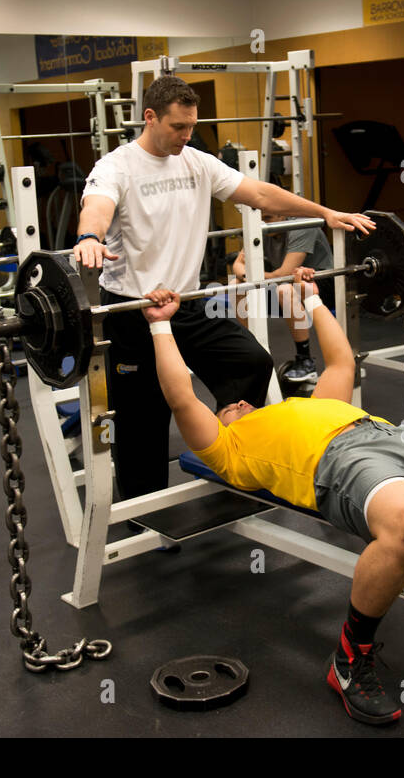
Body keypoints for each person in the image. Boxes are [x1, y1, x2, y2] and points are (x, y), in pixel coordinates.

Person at [140, 268, 404, 725]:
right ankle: (350, 658)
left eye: (243, 400)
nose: (238, 403)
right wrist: (161, 324)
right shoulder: (230, 449)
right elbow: (182, 397)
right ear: (218, 425)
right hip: (341, 465)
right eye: (226, 406)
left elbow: (342, 363)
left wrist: (312, 300)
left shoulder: (303, 404)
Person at [74, 74, 375, 500]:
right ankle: (145, 511)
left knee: (250, 362)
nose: (186, 135)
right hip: (131, 310)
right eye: (178, 127)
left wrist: (324, 212)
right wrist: (90, 237)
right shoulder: (116, 166)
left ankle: (234, 456)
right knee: (144, 415)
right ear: (150, 117)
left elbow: (262, 195)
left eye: (192, 126)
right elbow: (97, 208)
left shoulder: (197, 161)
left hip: (189, 303)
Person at [231, 217, 334, 383]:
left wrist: (252, 275)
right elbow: (237, 265)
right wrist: (247, 276)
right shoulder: (260, 227)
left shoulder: (301, 226)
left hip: (322, 282)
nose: (264, 222)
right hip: (288, 282)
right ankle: (253, 353)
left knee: (284, 289)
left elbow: (284, 274)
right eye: (261, 218)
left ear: (282, 213)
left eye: (268, 218)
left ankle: (305, 361)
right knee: (236, 285)